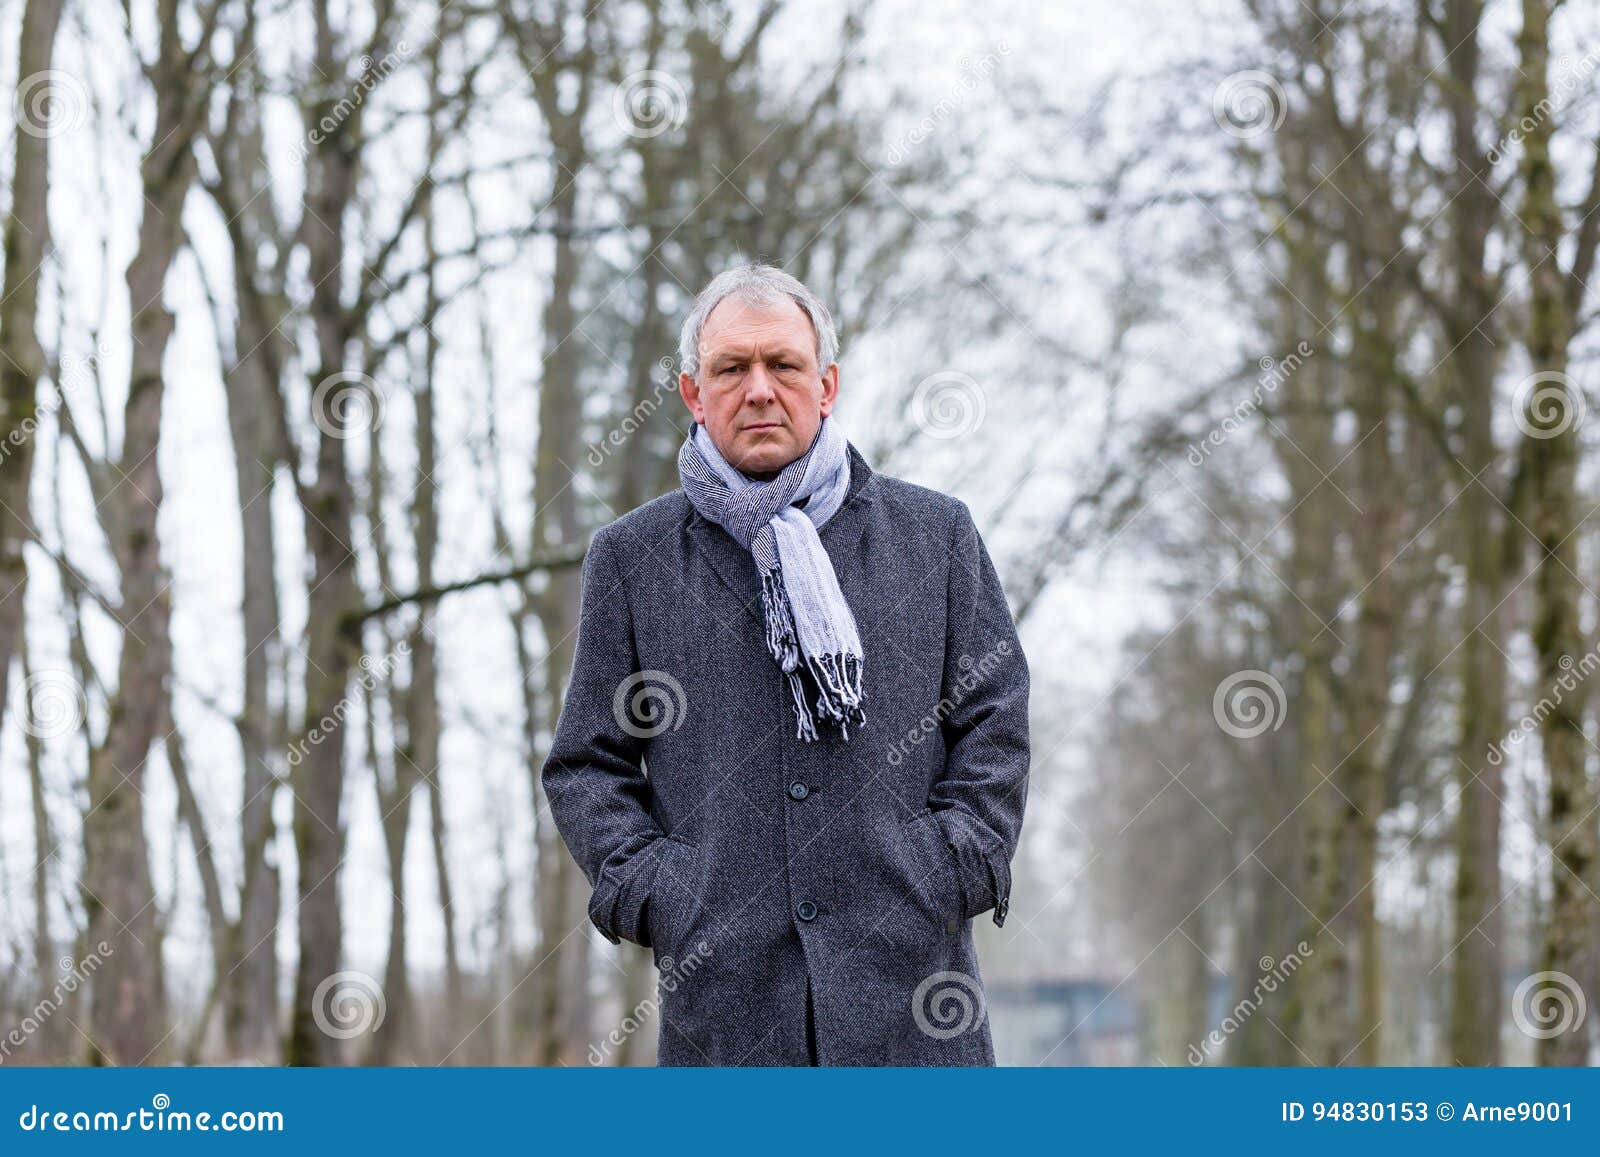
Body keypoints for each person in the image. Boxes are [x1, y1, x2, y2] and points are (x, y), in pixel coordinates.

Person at [543, 263, 1030, 1065]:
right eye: (732, 368)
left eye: (785, 365)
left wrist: (946, 869)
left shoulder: (935, 536)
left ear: (827, 383)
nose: (759, 389)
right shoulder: (633, 558)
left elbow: (995, 723)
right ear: (694, 394)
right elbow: (587, 765)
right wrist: (664, 895)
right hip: (724, 1019)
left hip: (915, 1012)